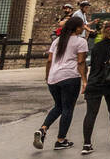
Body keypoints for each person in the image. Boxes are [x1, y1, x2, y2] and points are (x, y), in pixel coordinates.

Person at [34, 14, 88, 150]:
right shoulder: (81, 42)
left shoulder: (57, 41)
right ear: (76, 28)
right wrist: (84, 80)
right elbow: (81, 62)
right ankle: (61, 140)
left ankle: (43, 129)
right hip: (70, 77)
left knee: (59, 106)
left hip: (53, 78)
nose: (83, 28)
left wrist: (47, 77)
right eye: (82, 26)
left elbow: (49, 61)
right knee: (68, 108)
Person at [81, 20, 110, 155]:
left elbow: (94, 64)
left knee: (91, 113)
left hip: (95, 81)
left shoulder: (97, 46)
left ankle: (87, 144)